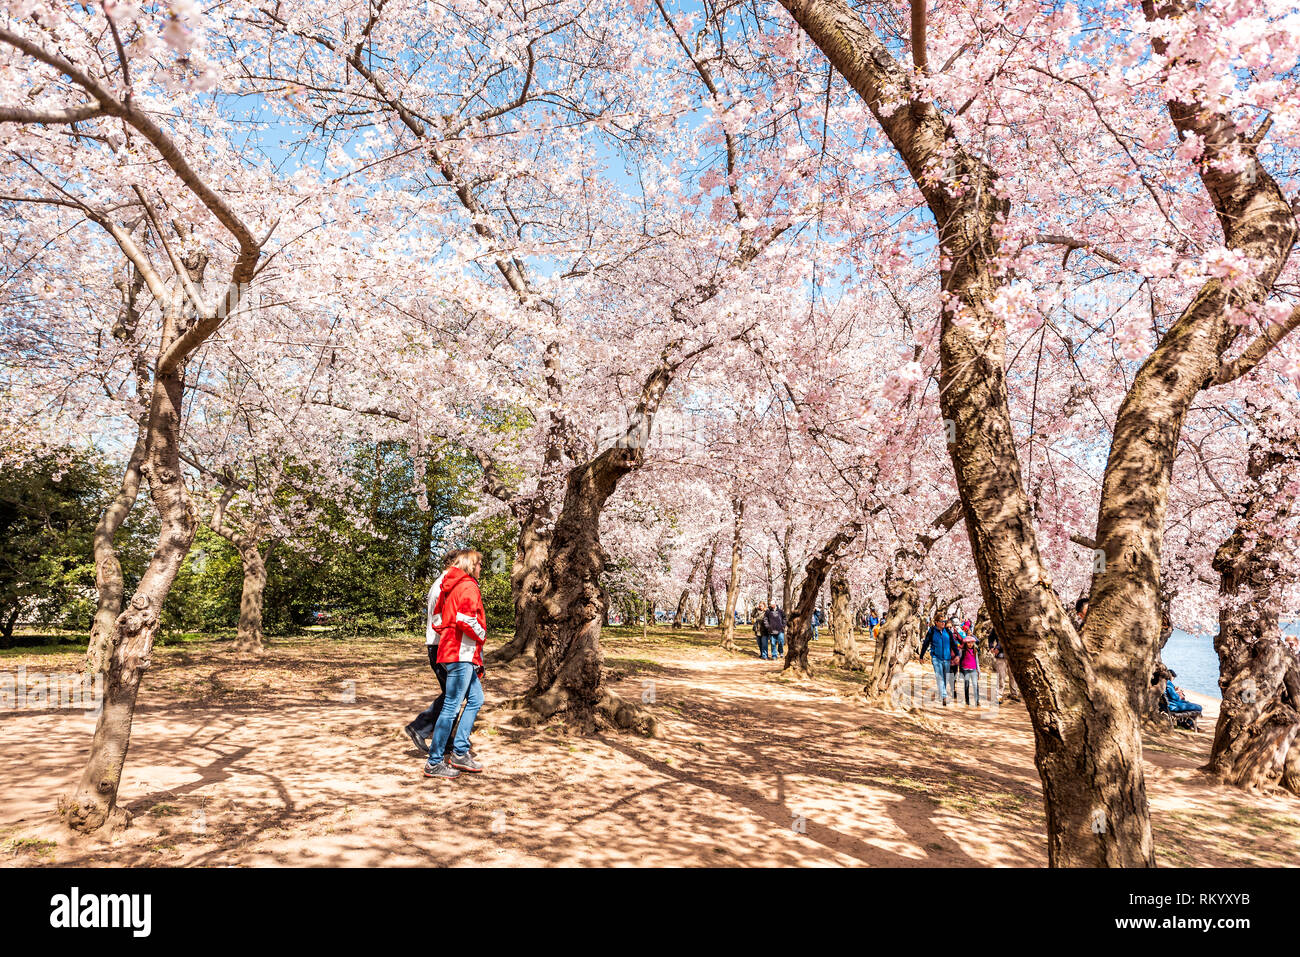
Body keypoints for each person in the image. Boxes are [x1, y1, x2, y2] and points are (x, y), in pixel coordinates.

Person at [422, 549, 488, 780]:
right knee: (451, 706)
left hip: (451, 650)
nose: (481, 568)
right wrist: (482, 635)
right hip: (460, 652)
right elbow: (465, 619)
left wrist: (447, 633)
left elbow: (438, 618)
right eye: (479, 564)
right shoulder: (468, 585)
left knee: (476, 699)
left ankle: (460, 751)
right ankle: (435, 761)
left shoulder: (447, 585)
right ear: (471, 565)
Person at [919, 614, 958, 706]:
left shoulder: (948, 632)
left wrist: (956, 654)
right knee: (939, 677)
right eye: (941, 621)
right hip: (936, 658)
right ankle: (944, 696)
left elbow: (953, 644)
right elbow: (926, 643)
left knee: (945, 678)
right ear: (936, 622)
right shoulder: (932, 631)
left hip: (947, 659)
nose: (943, 623)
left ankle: (942, 693)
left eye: (944, 621)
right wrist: (921, 656)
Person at [955, 630, 980, 706]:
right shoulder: (963, 651)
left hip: (973, 669)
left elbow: (977, 661)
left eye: (972, 643)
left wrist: (978, 670)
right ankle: (967, 700)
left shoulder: (975, 650)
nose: (970, 644)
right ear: (966, 643)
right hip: (965, 669)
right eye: (968, 643)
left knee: (975, 685)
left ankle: (977, 700)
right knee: (967, 685)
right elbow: (959, 659)